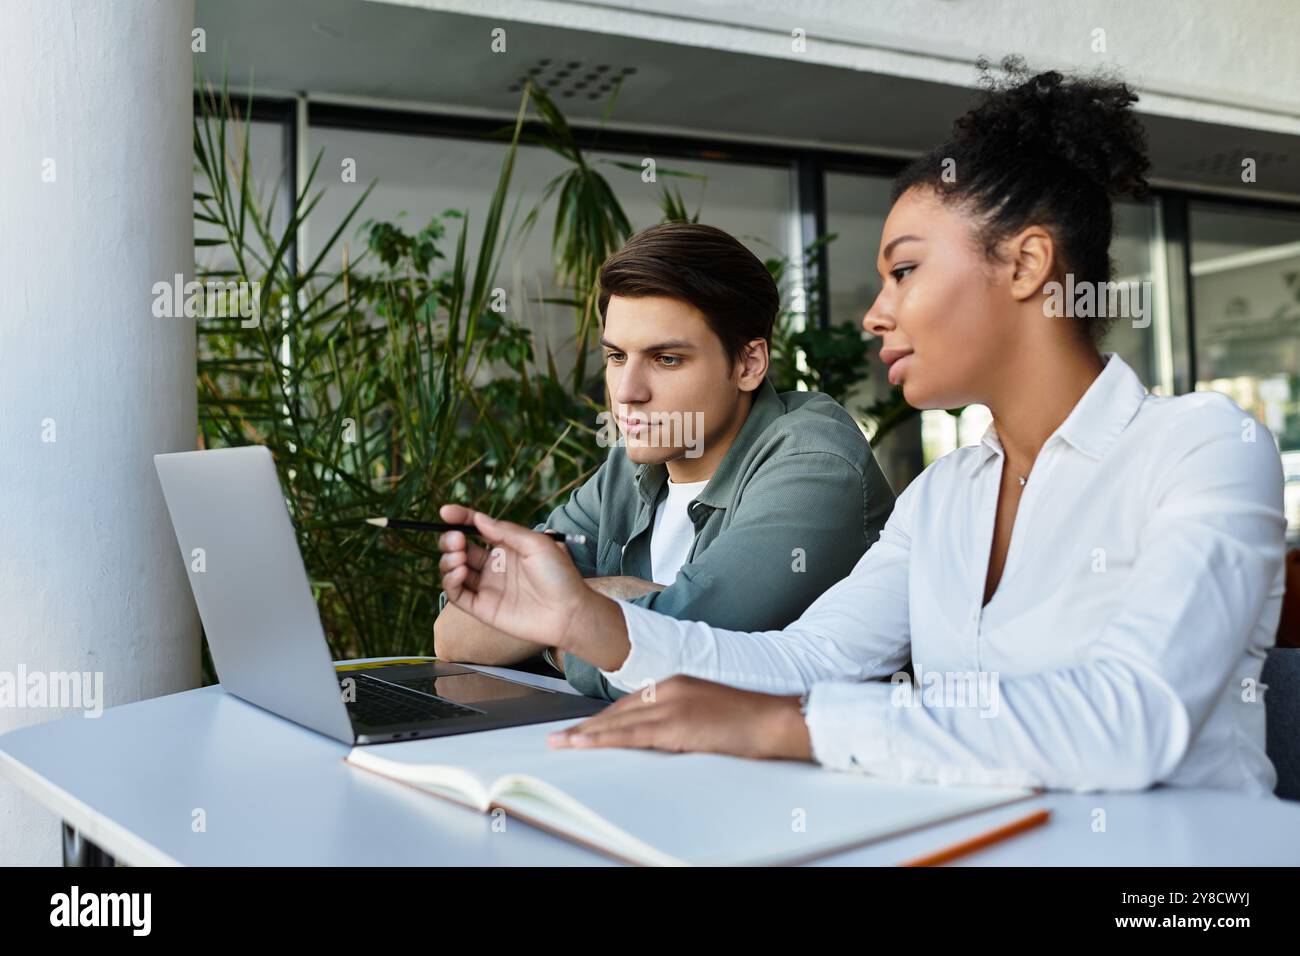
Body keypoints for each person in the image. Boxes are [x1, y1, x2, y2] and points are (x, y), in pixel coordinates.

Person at [436, 59, 1288, 795]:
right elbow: (805, 662)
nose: (878, 315)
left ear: (1027, 265)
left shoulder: (1203, 446)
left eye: (905, 270)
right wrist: (589, 622)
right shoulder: (944, 498)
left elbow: (1129, 715)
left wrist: (787, 728)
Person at [434, 221, 895, 700]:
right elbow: (459, 628)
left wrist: (563, 623)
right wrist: (613, 597)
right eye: (616, 357)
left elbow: (678, 664)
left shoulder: (814, 462)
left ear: (748, 363)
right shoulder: (629, 466)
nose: (627, 393)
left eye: (666, 359)